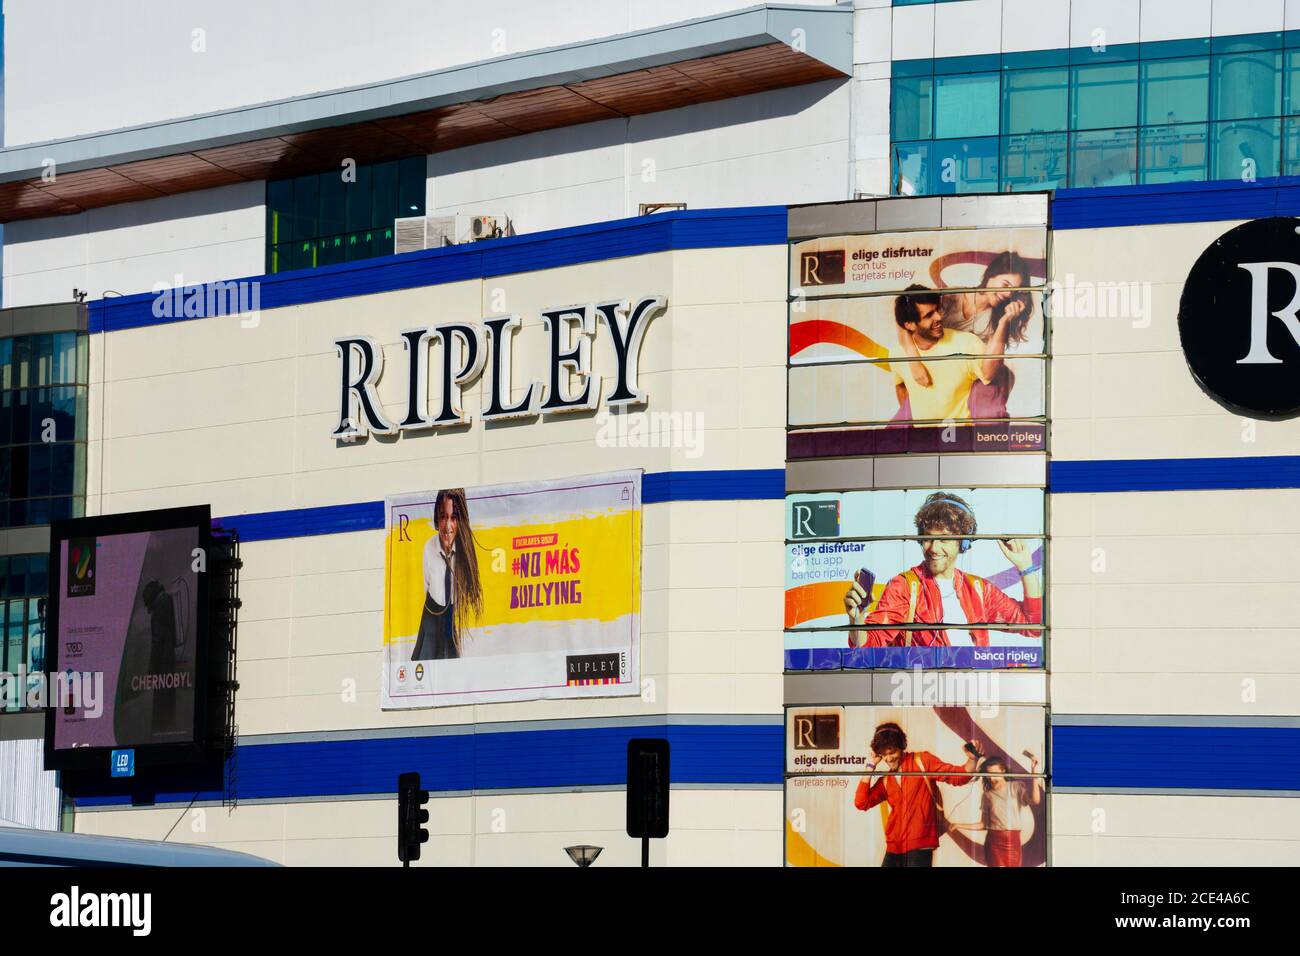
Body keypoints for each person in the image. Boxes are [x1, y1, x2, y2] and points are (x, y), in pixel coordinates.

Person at [844, 492, 1041, 648]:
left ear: (963, 543)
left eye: (944, 539)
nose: (934, 548)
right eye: (928, 538)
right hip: (923, 693)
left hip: (971, 693)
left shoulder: (979, 590)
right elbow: (868, 644)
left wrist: (1025, 567)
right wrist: (856, 620)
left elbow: (1033, 626)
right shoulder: (904, 586)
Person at [897, 253, 1035, 419]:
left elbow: (990, 368)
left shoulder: (1000, 317)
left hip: (977, 373)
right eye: (1005, 284)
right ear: (990, 275)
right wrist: (914, 362)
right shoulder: (952, 296)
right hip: (945, 370)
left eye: (1013, 291)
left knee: (988, 407)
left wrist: (1004, 322)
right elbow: (906, 315)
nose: (1007, 294)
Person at [854, 721, 982, 867]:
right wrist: (871, 765)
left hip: (920, 845)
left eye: (892, 752)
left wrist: (973, 759)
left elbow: (958, 777)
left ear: (902, 746)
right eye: (884, 755)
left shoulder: (922, 761)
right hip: (893, 847)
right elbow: (861, 802)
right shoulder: (886, 779)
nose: (888, 759)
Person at [889, 284, 1013, 424]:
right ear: (909, 325)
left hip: (960, 435)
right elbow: (900, 386)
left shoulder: (966, 343)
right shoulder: (897, 353)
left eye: (937, 310)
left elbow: (991, 373)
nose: (939, 317)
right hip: (925, 438)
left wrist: (1003, 323)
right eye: (929, 315)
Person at [412, 488, 483, 661]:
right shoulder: (429, 548)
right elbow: (426, 584)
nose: (448, 525)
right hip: (431, 615)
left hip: (453, 619)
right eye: (443, 516)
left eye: (453, 518)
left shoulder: (465, 553)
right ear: (437, 518)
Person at [949, 751, 1043, 867]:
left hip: (1013, 843)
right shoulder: (987, 795)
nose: (992, 778)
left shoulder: (1016, 787)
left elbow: (1035, 800)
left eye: (995, 773)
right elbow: (983, 824)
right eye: (989, 774)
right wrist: (959, 825)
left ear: (1003, 771)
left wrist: (1034, 774)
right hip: (994, 843)